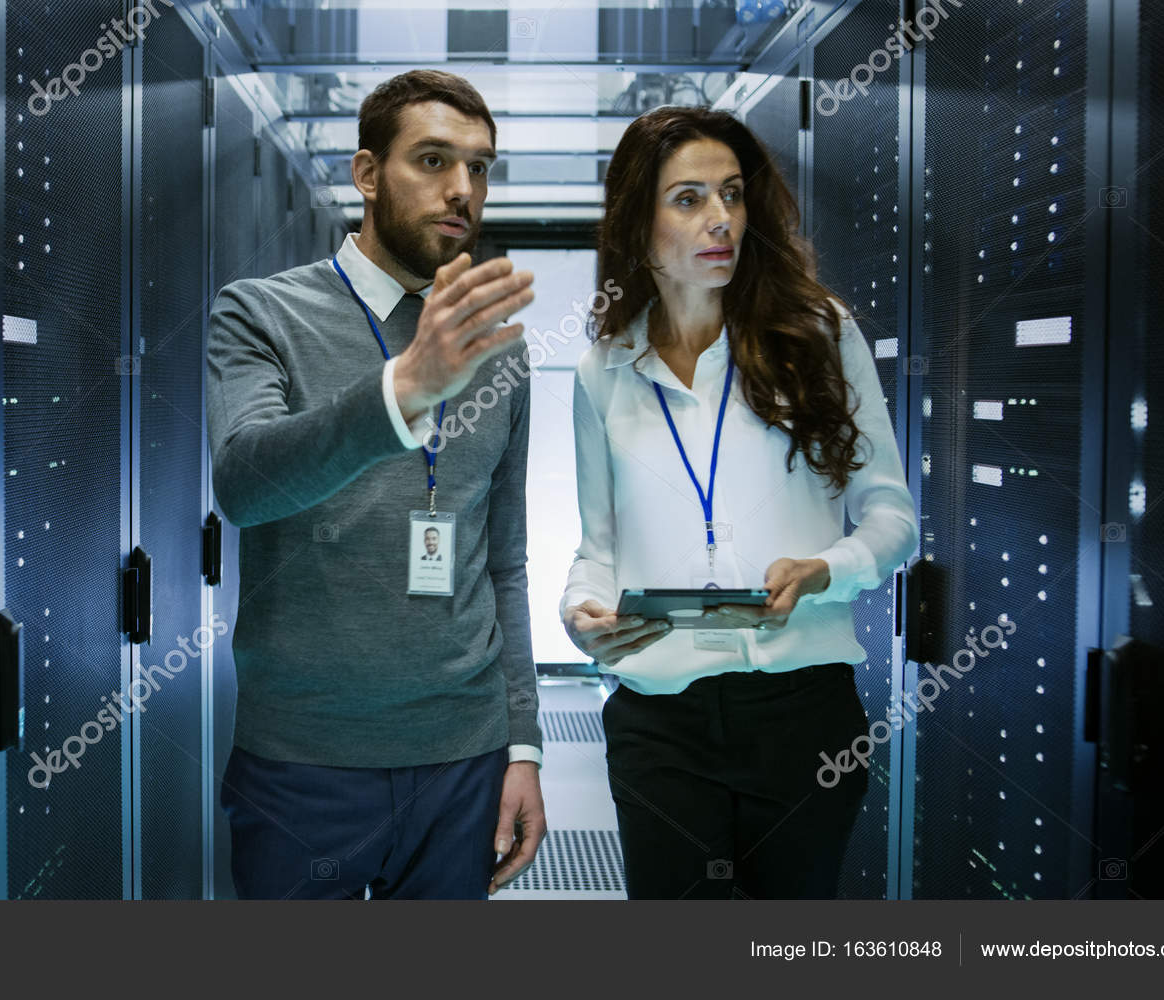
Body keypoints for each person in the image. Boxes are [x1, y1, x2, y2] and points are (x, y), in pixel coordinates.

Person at [559, 106, 919, 899]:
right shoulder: (605, 371)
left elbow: (893, 519)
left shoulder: (819, 335)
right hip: (661, 718)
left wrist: (828, 569)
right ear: (637, 222)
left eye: (731, 193)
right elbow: (598, 547)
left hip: (802, 713)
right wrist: (580, 613)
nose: (720, 218)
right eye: (688, 199)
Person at [206, 70, 545, 899]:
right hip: (302, 762)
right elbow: (245, 483)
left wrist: (523, 746)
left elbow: (504, 563)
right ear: (366, 174)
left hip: (464, 757)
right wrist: (403, 389)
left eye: (479, 167)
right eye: (432, 160)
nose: (462, 188)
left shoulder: (495, 349)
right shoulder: (260, 314)